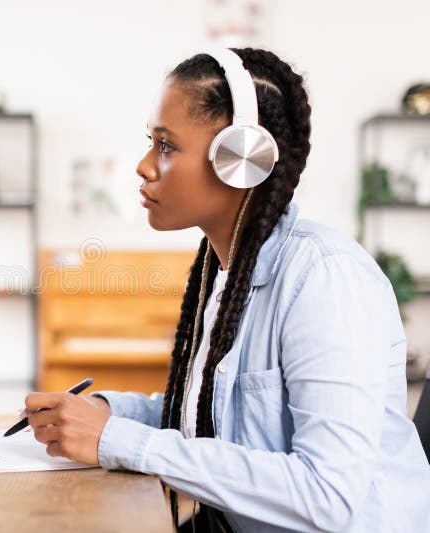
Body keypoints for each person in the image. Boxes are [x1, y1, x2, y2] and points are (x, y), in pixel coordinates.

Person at [25, 48, 430, 532]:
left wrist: (118, 440)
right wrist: (108, 412)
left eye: (167, 146)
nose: (144, 165)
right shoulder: (223, 274)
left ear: (241, 159)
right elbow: (210, 417)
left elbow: (328, 495)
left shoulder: (324, 280)